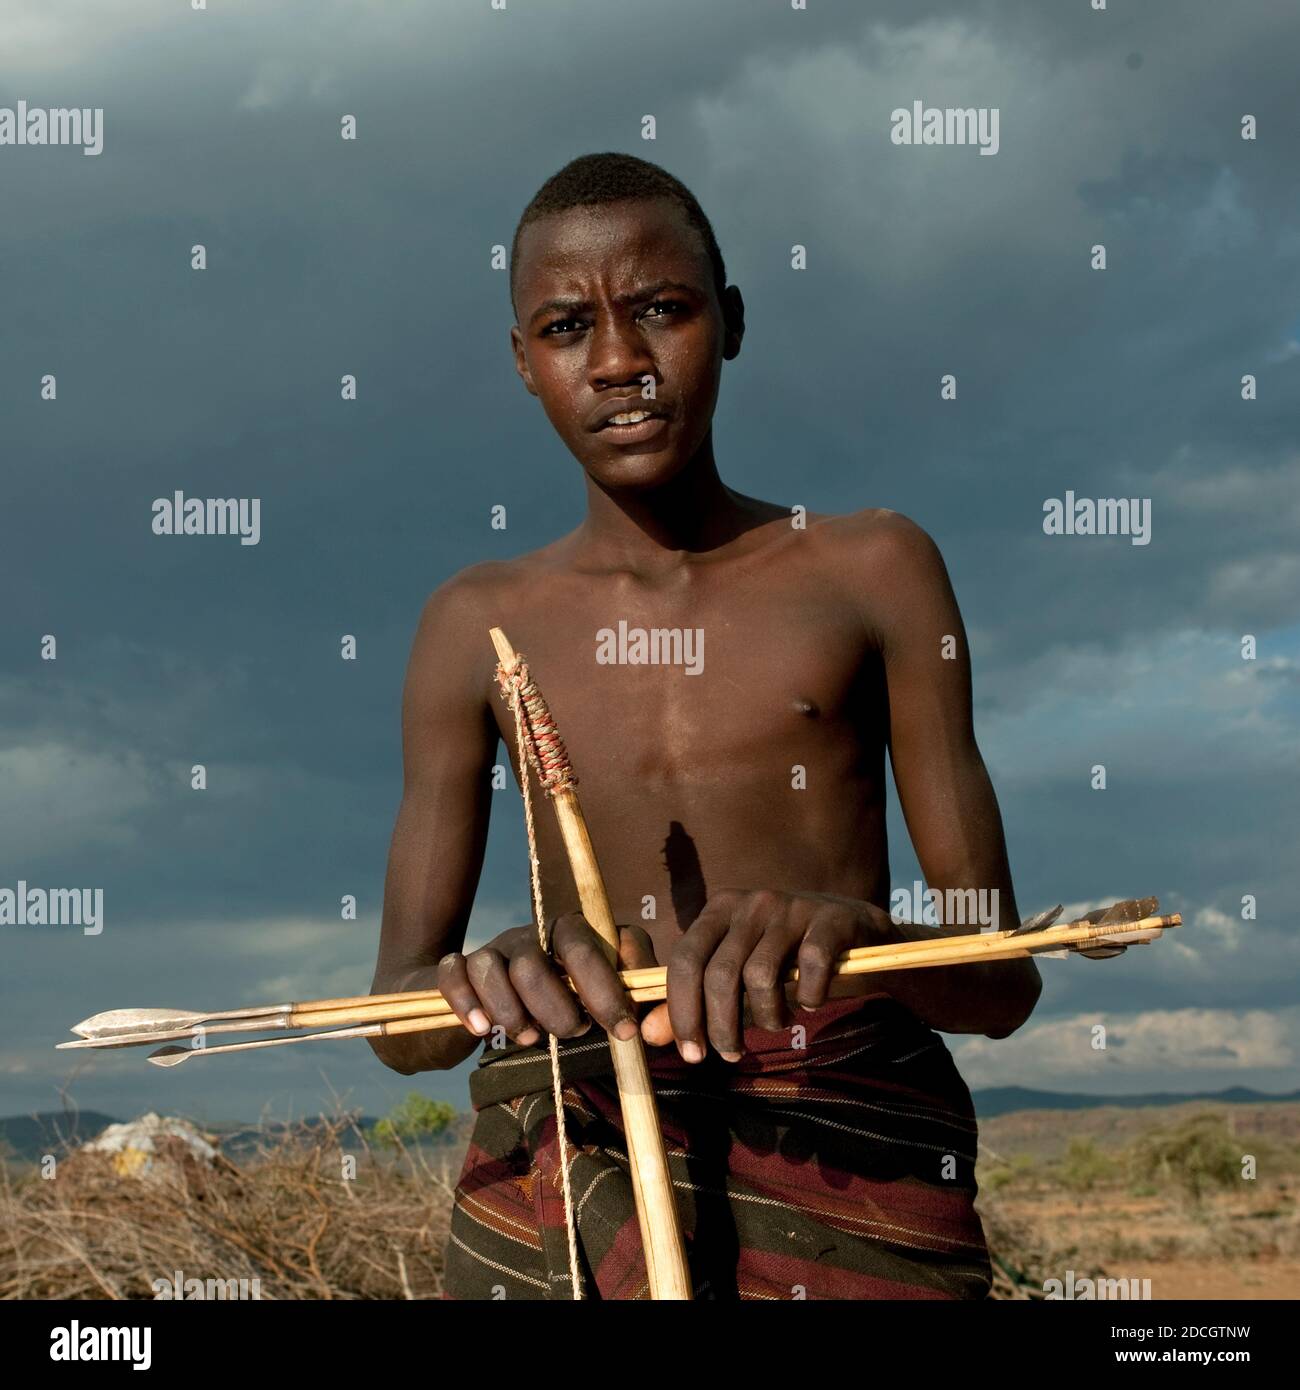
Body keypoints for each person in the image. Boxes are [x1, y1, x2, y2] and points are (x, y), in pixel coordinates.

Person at [368, 151, 1041, 1299]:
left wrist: (860, 939)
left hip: (849, 1148)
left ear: (728, 321)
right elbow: (400, 1026)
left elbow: (999, 979)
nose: (620, 362)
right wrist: (496, 980)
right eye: (568, 327)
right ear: (523, 364)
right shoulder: (473, 625)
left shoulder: (874, 568)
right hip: (576, 1145)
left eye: (661, 311)